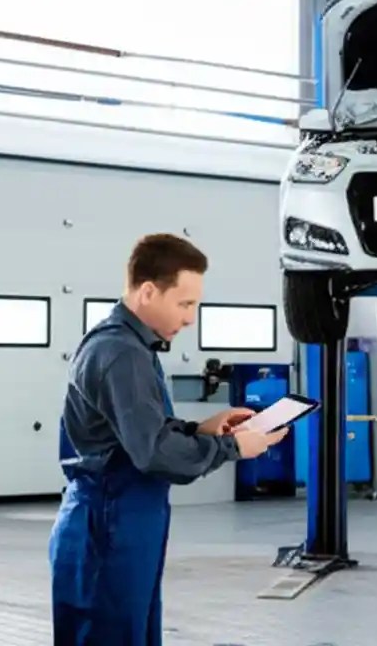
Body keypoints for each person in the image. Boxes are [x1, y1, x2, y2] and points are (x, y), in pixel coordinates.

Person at [50, 233, 287, 645]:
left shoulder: (128, 346)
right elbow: (155, 453)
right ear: (147, 292)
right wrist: (233, 447)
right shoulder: (122, 353)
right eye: (185, 304)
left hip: (118, 520)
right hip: (110, 523)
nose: (192, 317)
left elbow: (136, 433)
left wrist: (201, 430)